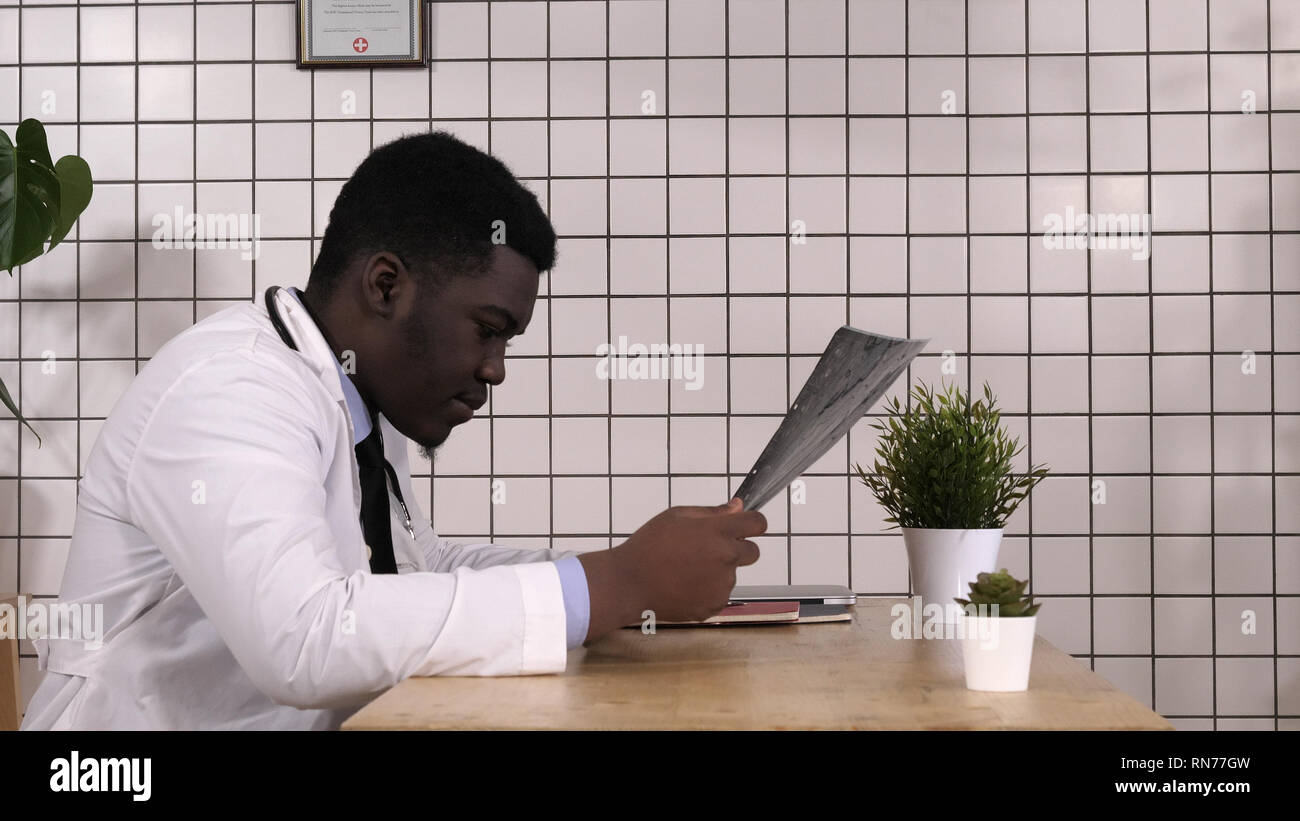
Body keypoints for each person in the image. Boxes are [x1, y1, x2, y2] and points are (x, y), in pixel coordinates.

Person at [21, 131, 765, 730]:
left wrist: (620, 569)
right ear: (386, 285)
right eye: (488, 329)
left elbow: (413, 573)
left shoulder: (353, 399)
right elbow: (304, 636)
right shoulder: (229, 385)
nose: (496, 370)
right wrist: (611, 584)